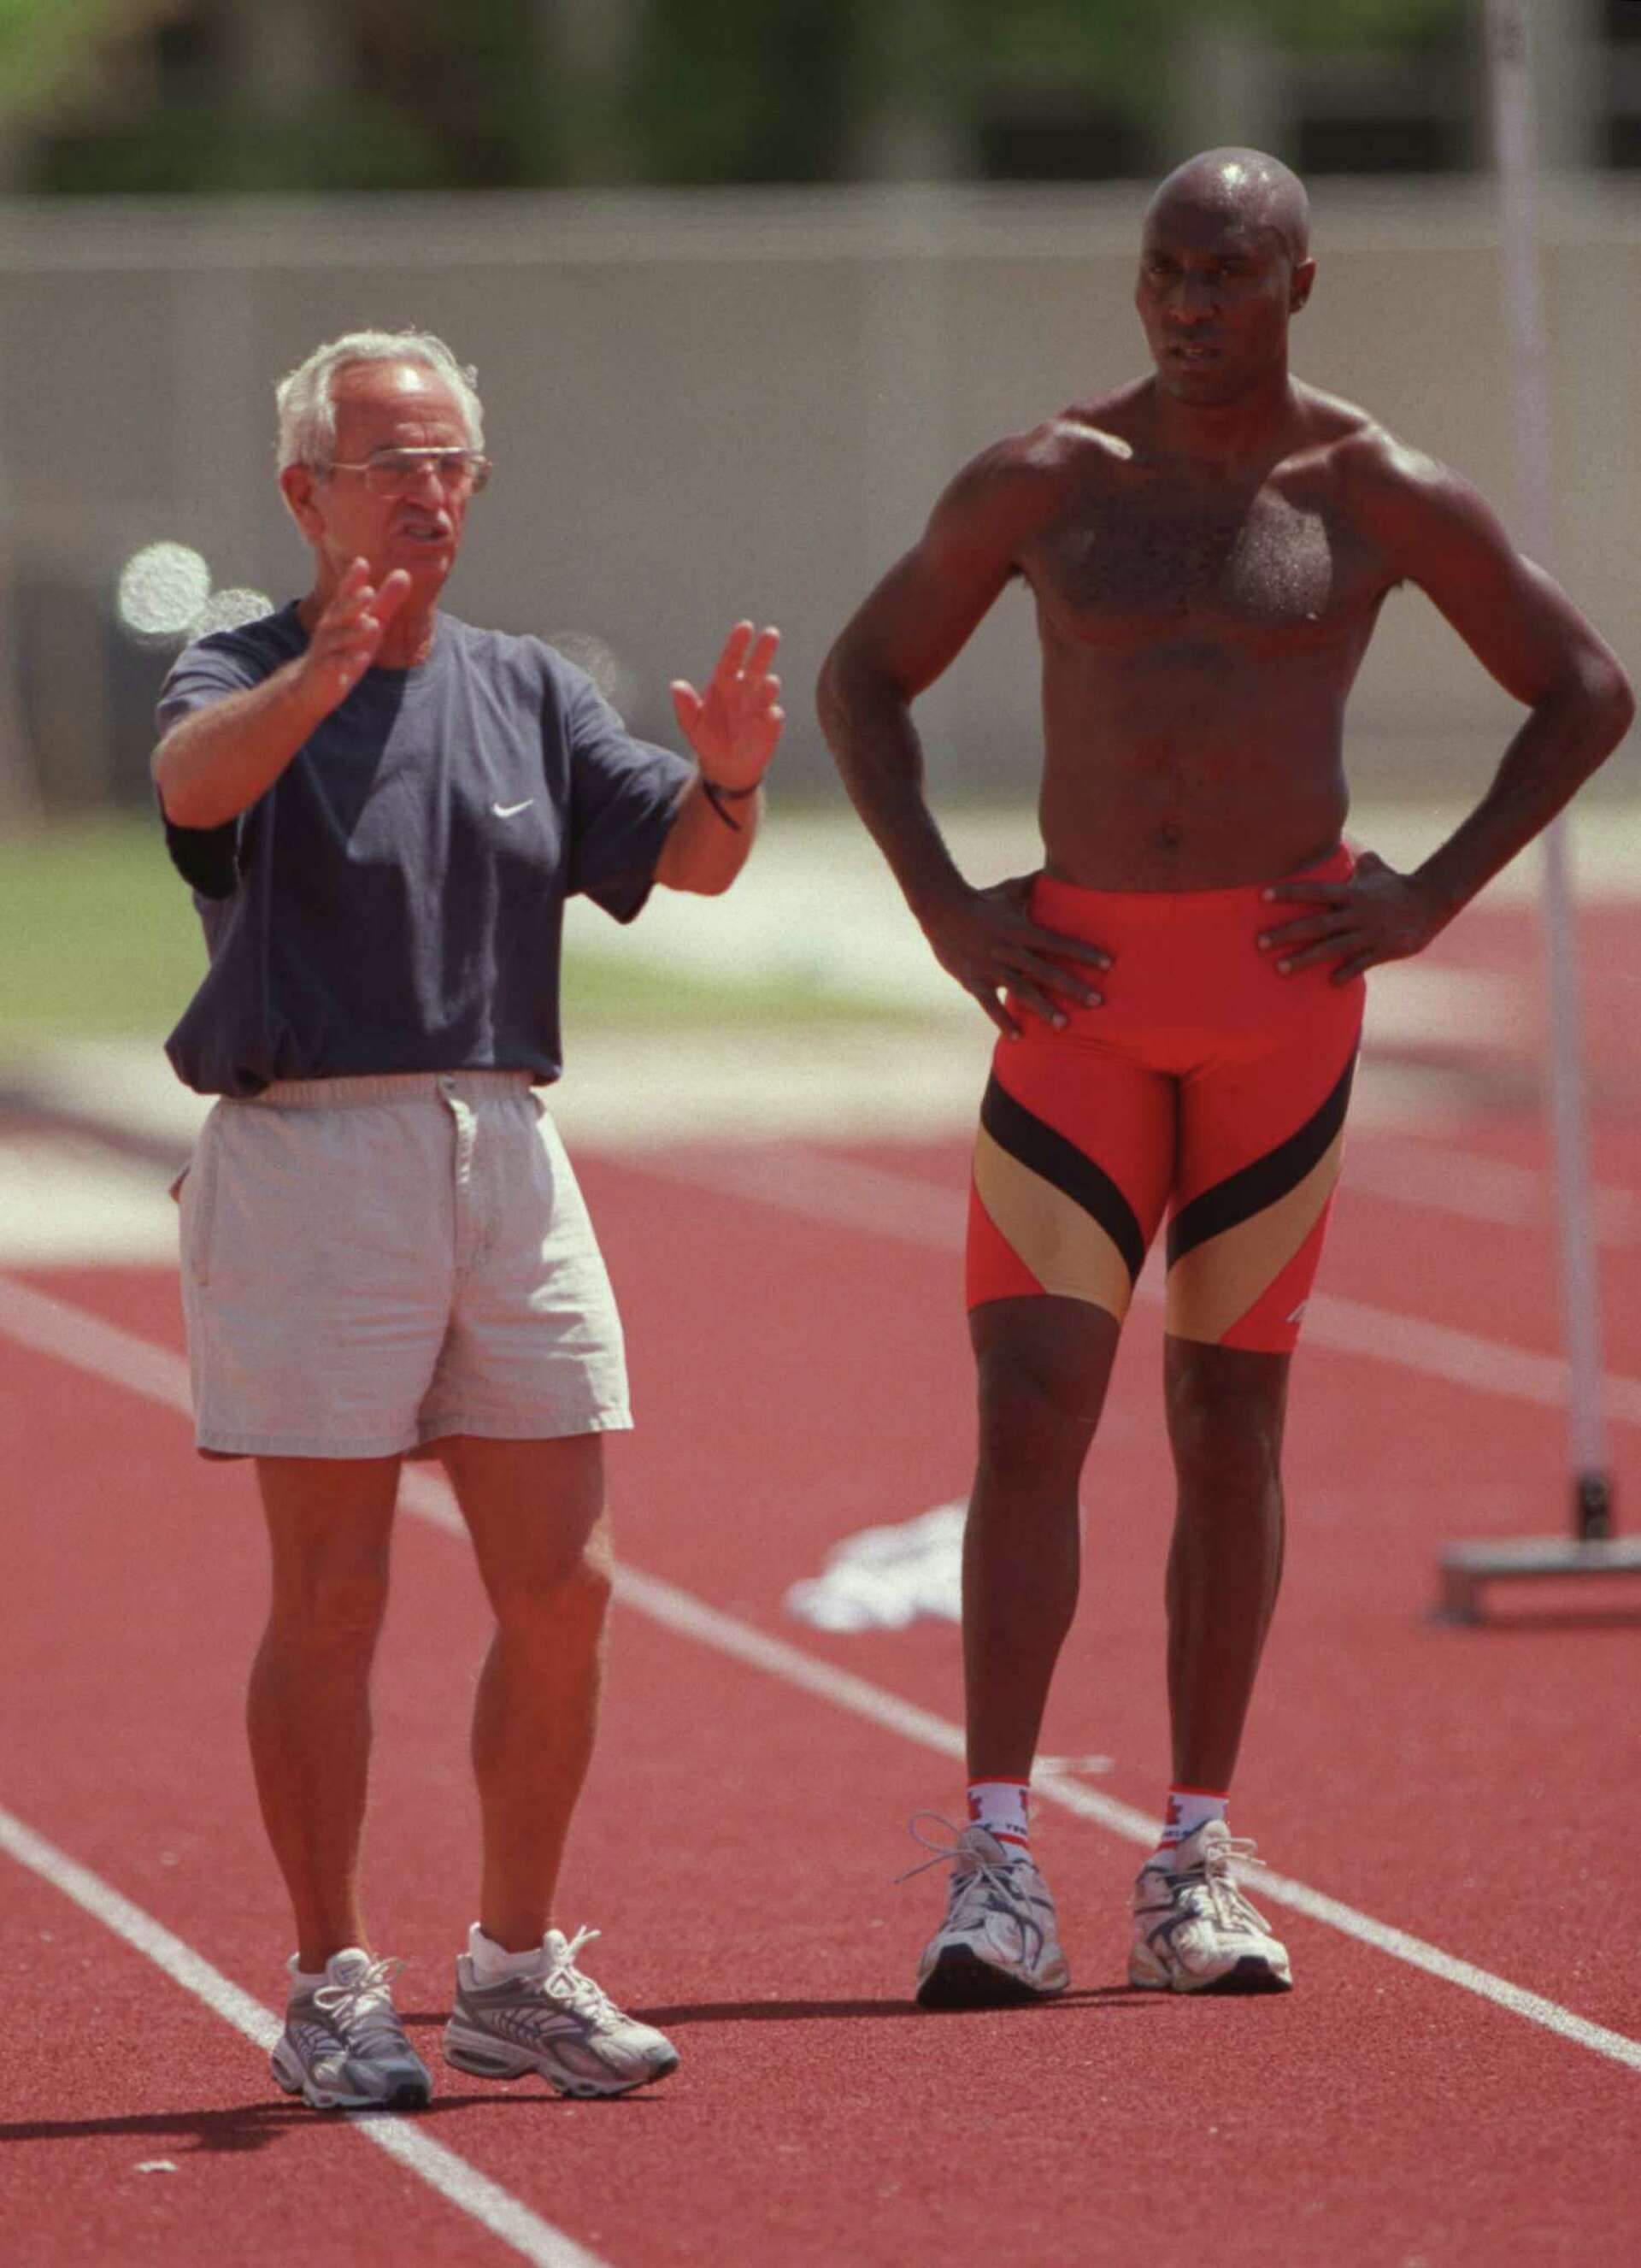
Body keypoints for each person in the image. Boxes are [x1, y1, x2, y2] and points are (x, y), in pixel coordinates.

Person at [818, 150, 1632, 2007]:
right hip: (1079, 999)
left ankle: (1194, 1854)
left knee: (1227, 1426)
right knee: (1031, 1405)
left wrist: (1433, 890)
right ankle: (999, 1861)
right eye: (1165, 273)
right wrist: (947, 908)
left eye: (1228, 274)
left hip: (1278, 1008)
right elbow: (865, 677)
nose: (1190, 306)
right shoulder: (1046, 479)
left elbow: (1583, 687)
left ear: (1298, 286)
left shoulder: (1375, 492)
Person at [154, 327, 783, 2106]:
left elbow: (696, 858)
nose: (429, 493)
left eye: (452, 466)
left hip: (504, 1141)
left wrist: (729, 773)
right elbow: (194, 790)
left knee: (567, 1586)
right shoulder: (242, 661)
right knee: (333, 1592)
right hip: (312, 1149)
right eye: (390, 464)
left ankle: (512, 1971)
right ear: (306, 493)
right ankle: (328, 1975)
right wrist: (332, 665)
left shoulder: (529, 684)